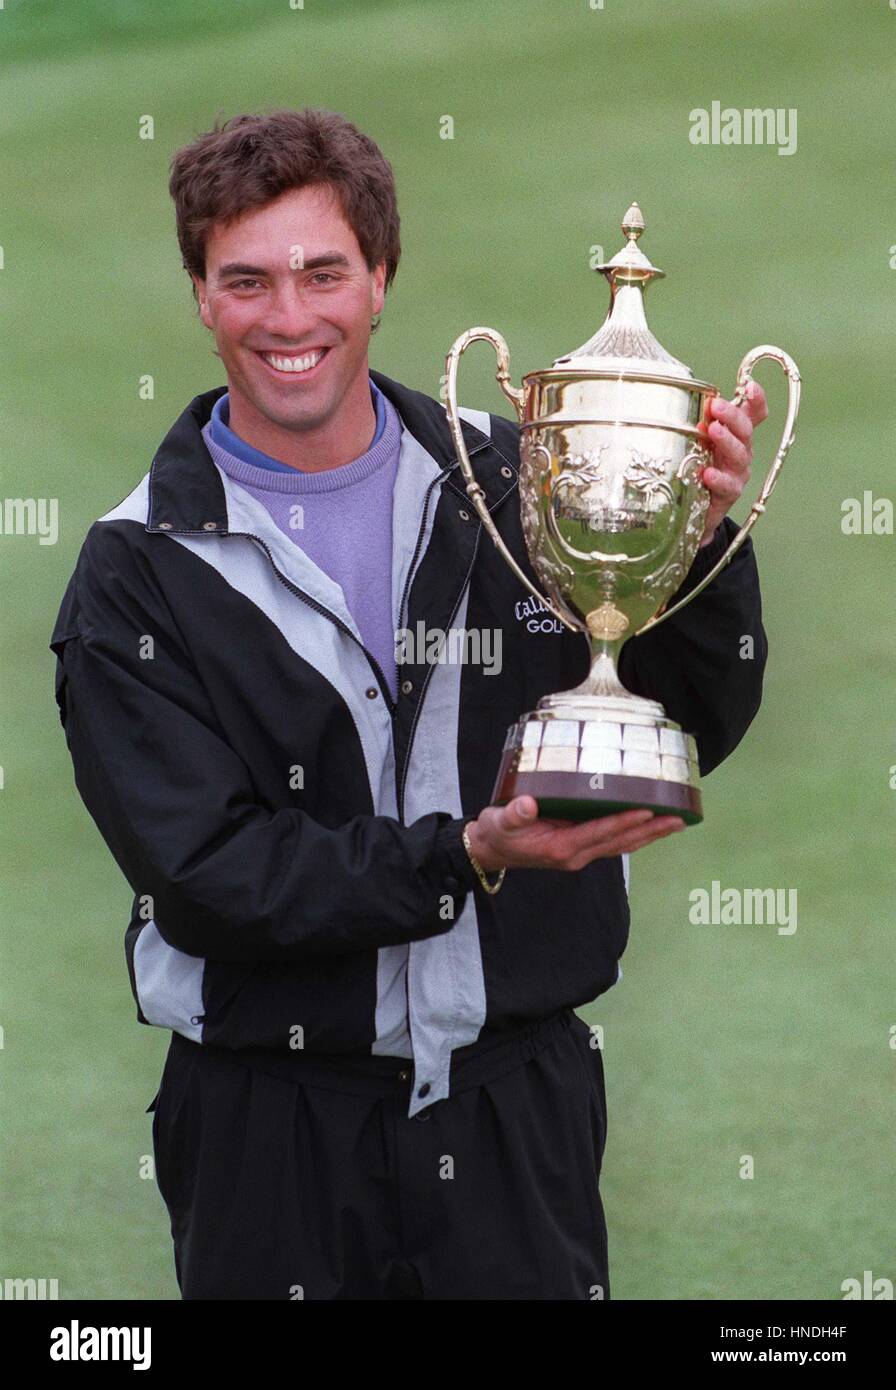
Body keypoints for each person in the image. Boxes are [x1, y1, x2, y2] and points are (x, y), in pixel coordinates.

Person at [50, 108, 769, 1300]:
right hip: (266, 1122)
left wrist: (690, 544)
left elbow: (688, 711)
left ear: (380, 277)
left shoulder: (521, 474)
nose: (289, 318)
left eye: (323, 272)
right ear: (199, 295)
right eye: (247, 280)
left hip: (512, 1104)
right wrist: (466, 854)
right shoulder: (137, 566)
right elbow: (208, 872)